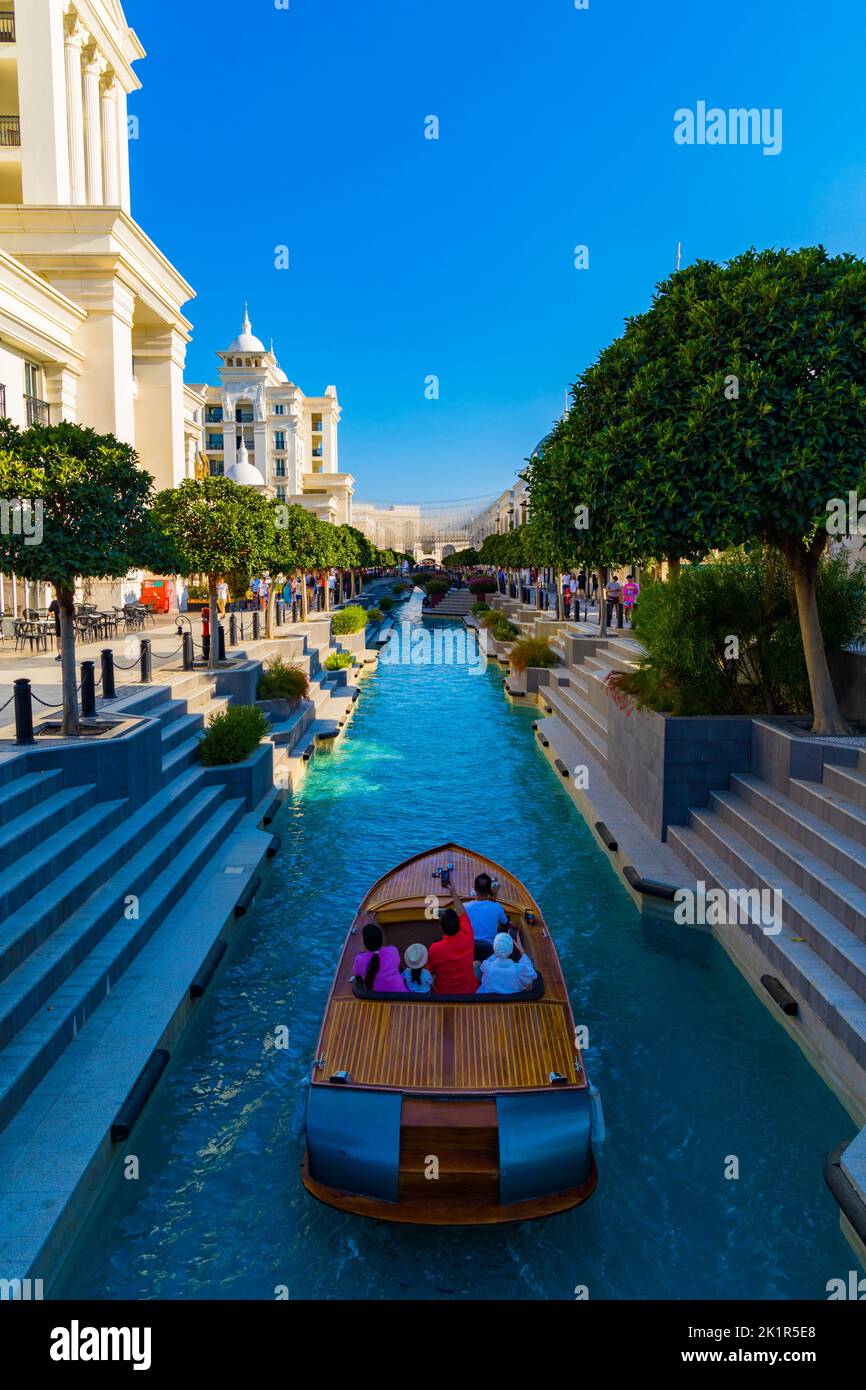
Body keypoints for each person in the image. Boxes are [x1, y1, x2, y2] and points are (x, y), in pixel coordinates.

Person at [427, 886, 478, 995]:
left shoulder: (434, 948)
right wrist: (453, 893)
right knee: (477, 964)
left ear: (441, 928)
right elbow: (462, 914)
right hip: (469, 991)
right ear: (459, 925)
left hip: (443, 994)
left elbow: (429, 971)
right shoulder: (468, 934)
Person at [353, 921, 407, 993]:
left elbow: (356, 973)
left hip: (375, 1000)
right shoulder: (393, 950)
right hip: (401, 995)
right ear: (381, 939)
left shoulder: (359, 959)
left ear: (365, 943)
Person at [465, 873, 509, 960]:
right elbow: (505, 924)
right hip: (490, 951)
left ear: (474, 889)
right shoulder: (497, 907)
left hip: (470, 949)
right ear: (490, 890)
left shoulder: (465, 907)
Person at [48, 593, 62, 661]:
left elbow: (49, 612)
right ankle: (62, 654)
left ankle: (60, 654)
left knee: (59, 639)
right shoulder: (66, 602)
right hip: (64, 624)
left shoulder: (54, 603)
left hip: (58, 624)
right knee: (61, 639)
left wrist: (53, 615)